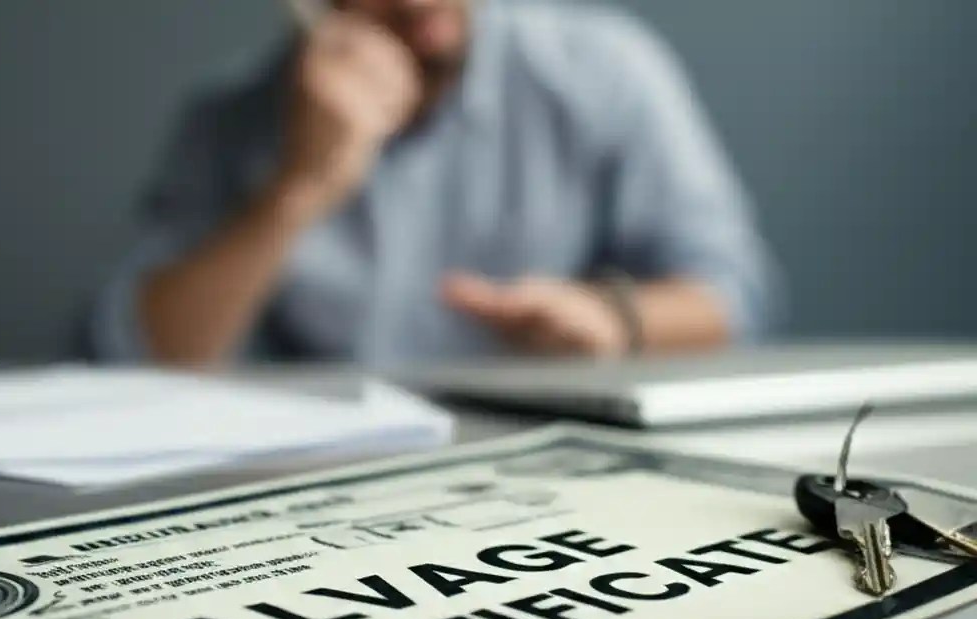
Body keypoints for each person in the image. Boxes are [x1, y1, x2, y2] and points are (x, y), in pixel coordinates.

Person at [92, 0, 778, 368]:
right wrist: (300, 186)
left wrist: (614, 319)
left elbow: (735, 295)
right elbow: (143, 355)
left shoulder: (602, 68)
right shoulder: (231, 115)